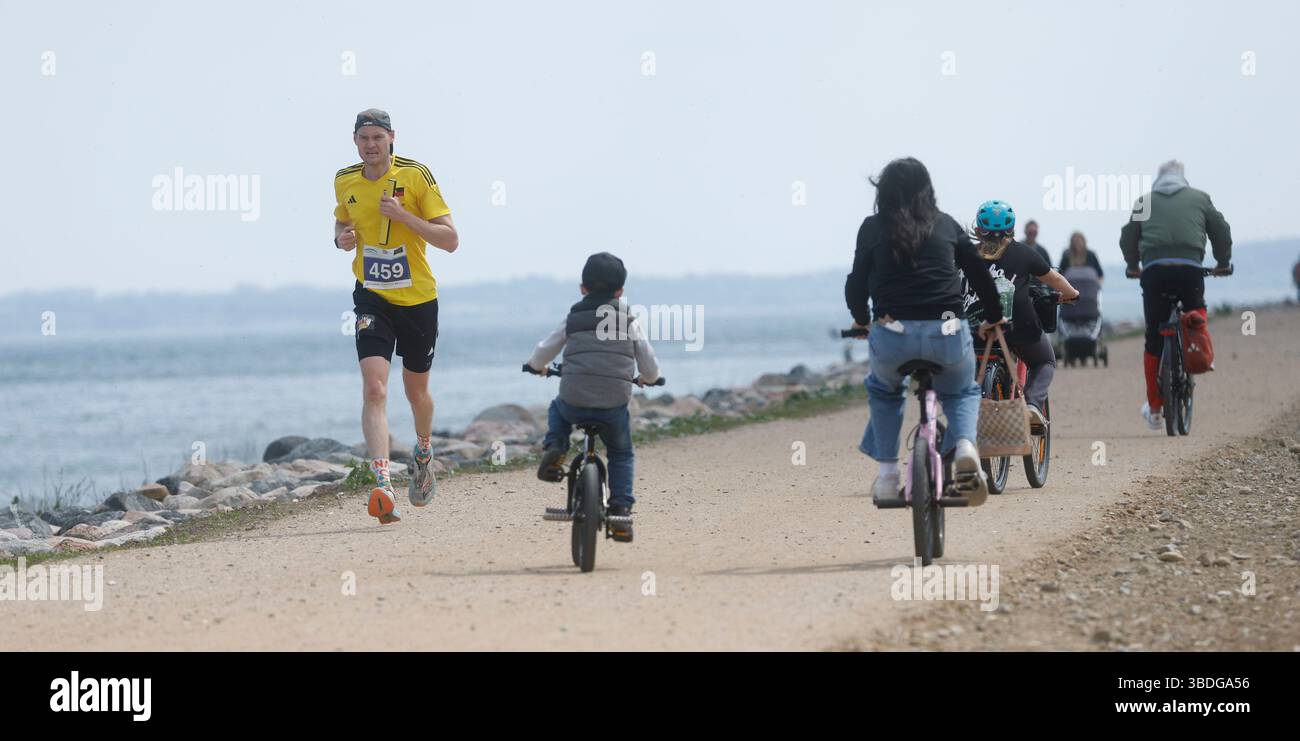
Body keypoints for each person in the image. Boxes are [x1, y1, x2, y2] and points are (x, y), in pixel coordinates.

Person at [845, 158, 1005, 507]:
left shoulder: (872, 228)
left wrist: (860, 320)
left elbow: (856, 282)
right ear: (927, 191)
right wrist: (993, 316)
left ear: (883, 193)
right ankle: (964, 447)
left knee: (884, 391)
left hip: (892, 332)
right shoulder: (946, 225)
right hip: (946, 332)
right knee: (962, 391)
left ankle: (888, 476)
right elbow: (978, 273)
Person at [334, 108, 459, 524]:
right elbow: (341, 225)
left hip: (418, 301)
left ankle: (423, 451)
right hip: (372, 298)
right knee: (374, 389)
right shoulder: (344, 179)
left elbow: (451, 240)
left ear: (392, 138)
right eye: (363, 138)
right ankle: (382, 484)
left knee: (416, 394)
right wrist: (341, 238)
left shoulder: (416, 176)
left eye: (378, 137)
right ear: (355, 141)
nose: (371, 145)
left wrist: (405, 217)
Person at [527, 253, 660, 538]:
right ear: (620, 292)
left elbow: (544, 350)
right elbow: (648, 361)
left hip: (574, 399)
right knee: (621, 453)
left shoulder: (574, 318)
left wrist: (536, 367)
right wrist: (649, 379)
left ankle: (557, 445)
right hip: (613, 404)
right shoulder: (629, 320)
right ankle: (621, 512)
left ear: (582, 288)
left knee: (557, 408)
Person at [1120, 160, 1232, 431]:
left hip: (1155, 272)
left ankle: (1156, 408)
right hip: (1190, 270)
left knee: (1153, 336)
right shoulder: (1200, 198)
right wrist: (1223, 262)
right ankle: (1201, 346)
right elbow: (1221, 231)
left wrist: (1134, 266)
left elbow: (1127, 238)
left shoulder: (1144, 201)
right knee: (1195, 311)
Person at [961, 201, 1080, 428]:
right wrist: (1072, 293)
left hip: (976, 330)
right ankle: (1033, 406)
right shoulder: (1024, 252)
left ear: (978, 230)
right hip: (1018, 327)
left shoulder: (965, 255)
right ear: (1012, 229)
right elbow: (1054, 279)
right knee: (1044, 360)